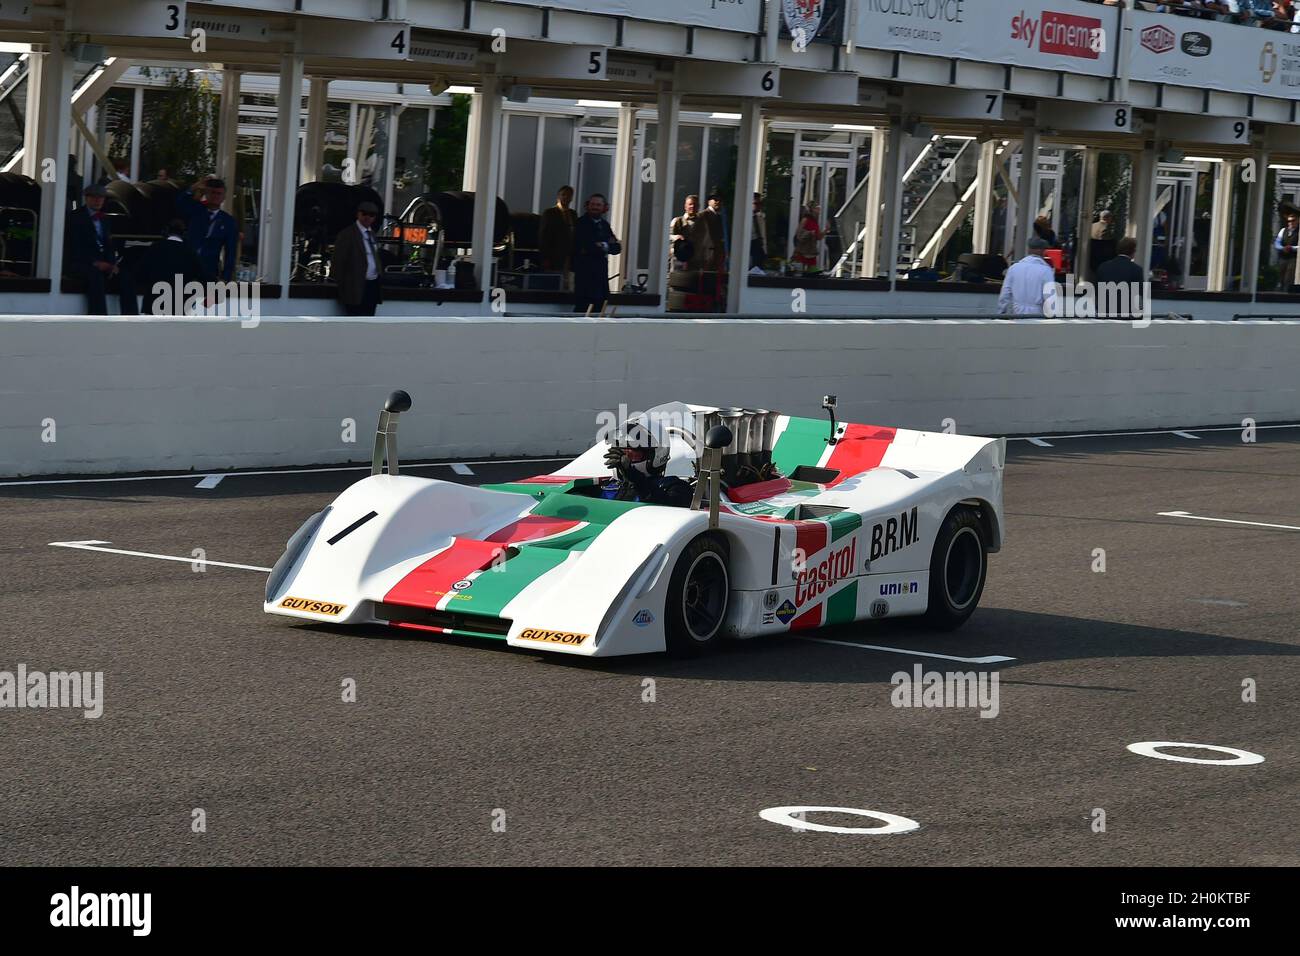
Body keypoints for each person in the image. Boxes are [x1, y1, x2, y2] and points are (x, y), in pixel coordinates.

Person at [63, 183, 138, 315]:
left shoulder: (104, 219)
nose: (98, 201)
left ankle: (131, 317)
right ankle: (99, 317)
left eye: (101, 198)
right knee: (95, 277)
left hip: (102, 264)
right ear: (87, 198)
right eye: (94, 197)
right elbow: (74, 246)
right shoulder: (76, 218)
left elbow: (108, 245)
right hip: (81, 263)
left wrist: (112, 264)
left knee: (125, 276)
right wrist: (95, 263)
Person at [600, 420, 692, 507]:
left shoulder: (675, 488)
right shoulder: (608, 486)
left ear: (655, 456)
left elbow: (666, 506)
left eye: (632, 455)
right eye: (621, 453)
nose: (625, 459)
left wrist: (636, 479)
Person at [137, 218, 208, 314]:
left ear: (166, 231)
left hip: (154, 302)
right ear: (184, 233)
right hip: (180, 304)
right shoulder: (189, 251)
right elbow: (203, 275)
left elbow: (140, 273)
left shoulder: (154, 248)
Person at [177, 177, 240, 282]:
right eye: (212, 192)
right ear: (206, 194)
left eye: (219, 193)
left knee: (209, 299)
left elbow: (231, 253)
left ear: (224, 197)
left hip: (209, 272)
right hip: (187, 269)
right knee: (185, 298)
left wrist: (225, 278)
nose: (215, 196)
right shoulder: (196, 211)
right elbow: (180, 202)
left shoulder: (229, 222)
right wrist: (194, 187)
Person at [331, 201, 384, 316]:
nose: (367, 217)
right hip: (354, 287)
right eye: (364, 213)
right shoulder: (347, 234)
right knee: (355, 320)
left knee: (369, 321)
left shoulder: (372, 235)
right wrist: (342, 286)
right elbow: (338, 261)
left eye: (371, 215)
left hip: (372, 285)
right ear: (358, 214)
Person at [572, 193, 621, 314]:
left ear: (604, 207)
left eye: (598, 205)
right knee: (582, 309)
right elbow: (585, 246)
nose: (595, 207)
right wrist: (605, 245)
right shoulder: (581, 223)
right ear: (587, 206)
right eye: (593, 204)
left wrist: (603, 245)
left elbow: (616, 248)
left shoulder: (605, 225)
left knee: (600, 308)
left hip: (601, 276)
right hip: (585, 274)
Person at [998, 235, 1056, 316]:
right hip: (1036, 315)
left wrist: (1001, 312)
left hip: (1016, 313)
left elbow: (1005, 293)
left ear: (1028, 250)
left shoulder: (1014, 268)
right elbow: (1050, 297)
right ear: (1041, 251)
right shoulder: (1046, 271)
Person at [537, 185, 577, 286]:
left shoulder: (573, 214)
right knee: (554, 282)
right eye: (563, 195)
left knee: (568, 282)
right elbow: (543, 236)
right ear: (558, 196)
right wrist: (545, 257)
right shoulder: (550, 213)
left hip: (569, 255)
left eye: (568, 195)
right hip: (554, 255)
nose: (566, 198)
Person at [669, 194, 711, 272]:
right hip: (679, 260)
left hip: (696, 261)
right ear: (685, 206)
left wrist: (706, 258)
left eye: (695, 205)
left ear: (698, 207)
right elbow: (668, 236)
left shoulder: (703, 223)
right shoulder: (677, 221)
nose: (692, 206)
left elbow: (706, 242)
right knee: (677, 282)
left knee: (694, 283)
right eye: (690, 204)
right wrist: (676, 237)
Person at [700, 192, 728, 270]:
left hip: (718, 254)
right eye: (715, 199)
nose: (718, 202)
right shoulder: (703, 215)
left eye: (719, 200)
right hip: (707, 254)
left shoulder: (720, 216)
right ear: (709, 202)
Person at [792, 203, 823, 272]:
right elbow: (798, 235)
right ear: (812, 210)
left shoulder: (815, 222)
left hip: (811, 250)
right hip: (803, 249)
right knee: (800, 270)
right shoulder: (805, 219)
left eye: (819, 209)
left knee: (811, 271)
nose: (819, 211)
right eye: (817, 208)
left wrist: (826, 230)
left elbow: (819, 237)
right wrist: (809, 233)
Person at [1274, 209, 1299, 289]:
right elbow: (1277, 242)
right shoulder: (1283, 230)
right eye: (1289, 221)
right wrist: (1282, 248)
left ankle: (1287, 293)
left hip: (1293, 258)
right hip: (1283, 257)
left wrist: (1292, 248)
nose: (1290, 223)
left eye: (1293, 220)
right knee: (1280, 277)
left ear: (1297, 221)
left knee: (1289, 278)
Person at [749, 192, 767, 272]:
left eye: (760, 203)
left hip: (760, 248)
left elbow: (763, 235)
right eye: (756, 203)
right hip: (750, 248)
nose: (759, 205)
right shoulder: (746, 218)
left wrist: (765, 250)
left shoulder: (760, 217)